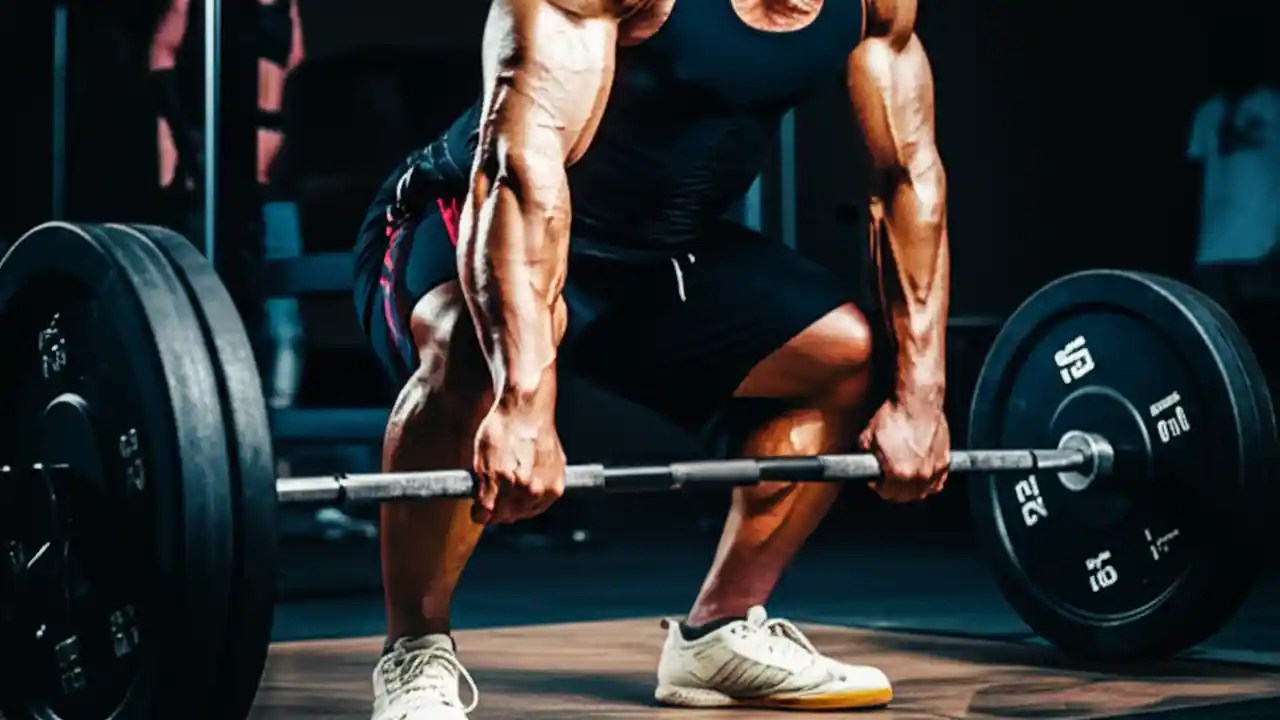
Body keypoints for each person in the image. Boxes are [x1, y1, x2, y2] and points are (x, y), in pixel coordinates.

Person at [352, 0, 950, 716]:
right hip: (469, 218)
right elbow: (521, 170)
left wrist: (921, 397)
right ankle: (416, 651)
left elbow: (909, 178)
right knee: (471, 347)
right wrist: (525, 403)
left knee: (849, 355)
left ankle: (719, 634)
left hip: (658, 255)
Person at [149, 0, 307, 409]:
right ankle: (221, 419)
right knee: (219, 303)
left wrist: (279, 128)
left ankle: (274, 431)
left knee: (284, 323)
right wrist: (179, 140)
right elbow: (161, 54)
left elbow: (295, 59)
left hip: (272, 164)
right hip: (218, 157)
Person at [1187, 80, 1280, 315]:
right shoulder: (1208, 111)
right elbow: (1196, 178)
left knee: (1261, 338)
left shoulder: (1273, 105)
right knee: (1221, 340)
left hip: (1262, 250)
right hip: (1213, 253)